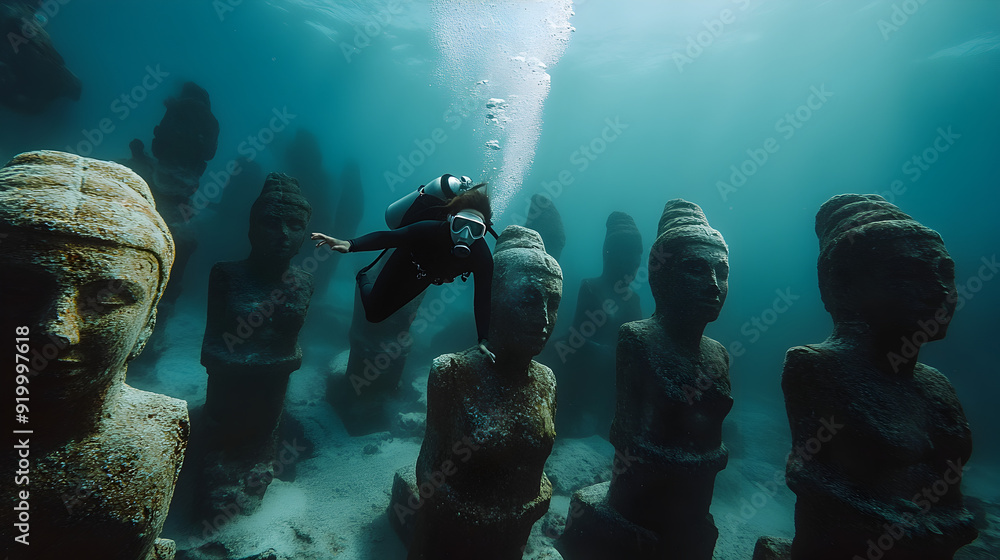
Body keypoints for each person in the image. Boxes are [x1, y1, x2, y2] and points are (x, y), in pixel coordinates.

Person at [312, 185, 496, 362]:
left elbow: (482, 297)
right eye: (460, 225)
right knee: (372, 312)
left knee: (377, 317)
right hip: (405, 260)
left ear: (483, 231)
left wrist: (483, 339)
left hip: (427, 276)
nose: (465, 234)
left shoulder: (483, 257)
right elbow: (389, 237)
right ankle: (362, 276)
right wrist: (350, 244)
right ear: (450, 220)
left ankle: (365, 279)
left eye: (475, 230)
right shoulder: (430, 228)